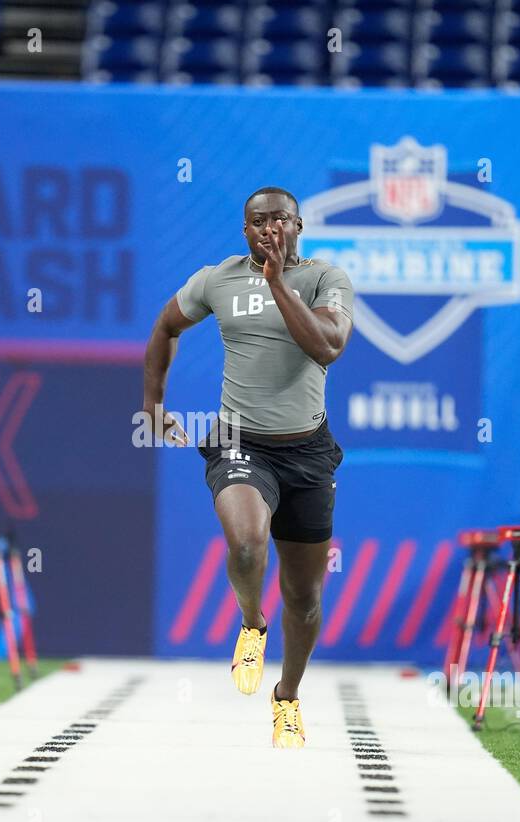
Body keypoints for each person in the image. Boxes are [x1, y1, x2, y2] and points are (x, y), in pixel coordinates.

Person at [140, 186, 353, 748]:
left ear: (298, 223)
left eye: (278, 219)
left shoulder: (325, 279)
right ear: (245, 230)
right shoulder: (218, 279)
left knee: (305, 597)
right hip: (238, 439)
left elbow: (328, 346)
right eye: (256, 222)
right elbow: (165, 328)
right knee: (246, 544)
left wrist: (279, 282)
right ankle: (252, 625)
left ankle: (287, 698)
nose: (267, 229)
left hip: (306, 449)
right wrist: (153, 403)